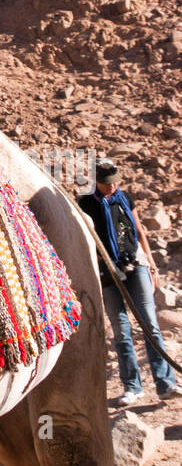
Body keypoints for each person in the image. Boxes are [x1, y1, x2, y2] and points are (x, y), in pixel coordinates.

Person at [78, 156, 177, 407]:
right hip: (106, 272)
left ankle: (166, 383)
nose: (110, 187)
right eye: (105, 183)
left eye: (113, 182)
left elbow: (138, 230)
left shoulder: (125, 198)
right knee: (121, 332)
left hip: (136, 265)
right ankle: (132, 386)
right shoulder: (86, 204)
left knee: (150, 325)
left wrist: (152, 264)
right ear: (96, 181)